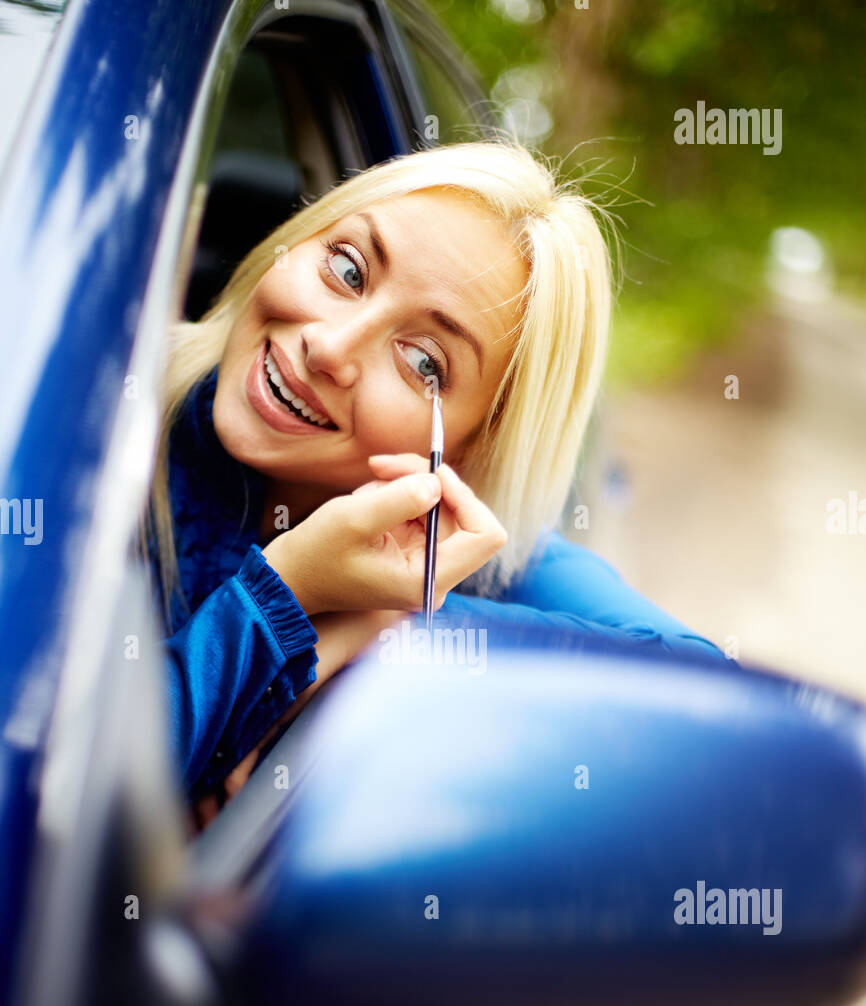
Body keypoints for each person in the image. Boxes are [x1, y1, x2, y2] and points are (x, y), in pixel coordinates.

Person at [140, 139, 732, 827]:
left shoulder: (457, 556)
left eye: (424, 363)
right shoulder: (81, 408)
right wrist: (291, 596)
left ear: (474, 449)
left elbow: (707, 697)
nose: (329, 348)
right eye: (348, 268)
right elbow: (42, 797)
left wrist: (401, 622)